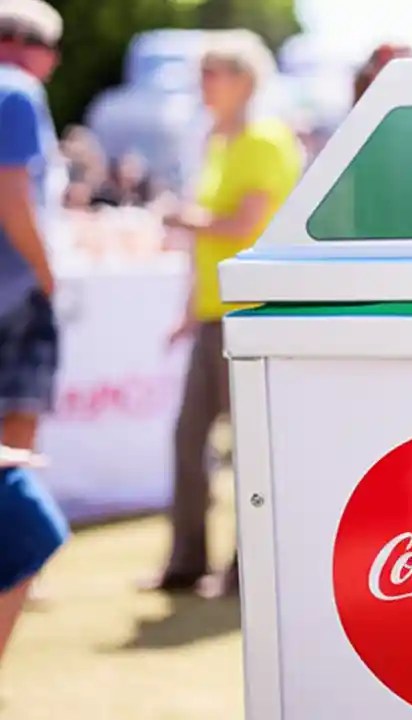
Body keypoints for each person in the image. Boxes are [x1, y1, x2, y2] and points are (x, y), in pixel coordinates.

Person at [145, 30, 302, 598]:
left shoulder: (264, 139)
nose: (202, 85)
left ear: (244, 80)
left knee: (248, 452)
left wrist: (184, 219)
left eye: (212, 72)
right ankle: (187, 563)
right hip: (215, 314)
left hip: (251, 314)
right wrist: (188, 310)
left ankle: (245, 569)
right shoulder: (221, 141)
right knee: (189, 439)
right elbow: (215, 238)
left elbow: (244, 225)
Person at [0, 0, 68, 666]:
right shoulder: (16, 89)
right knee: (17, 452)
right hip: (11, 296)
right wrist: (50, 275)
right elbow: (13, 195)